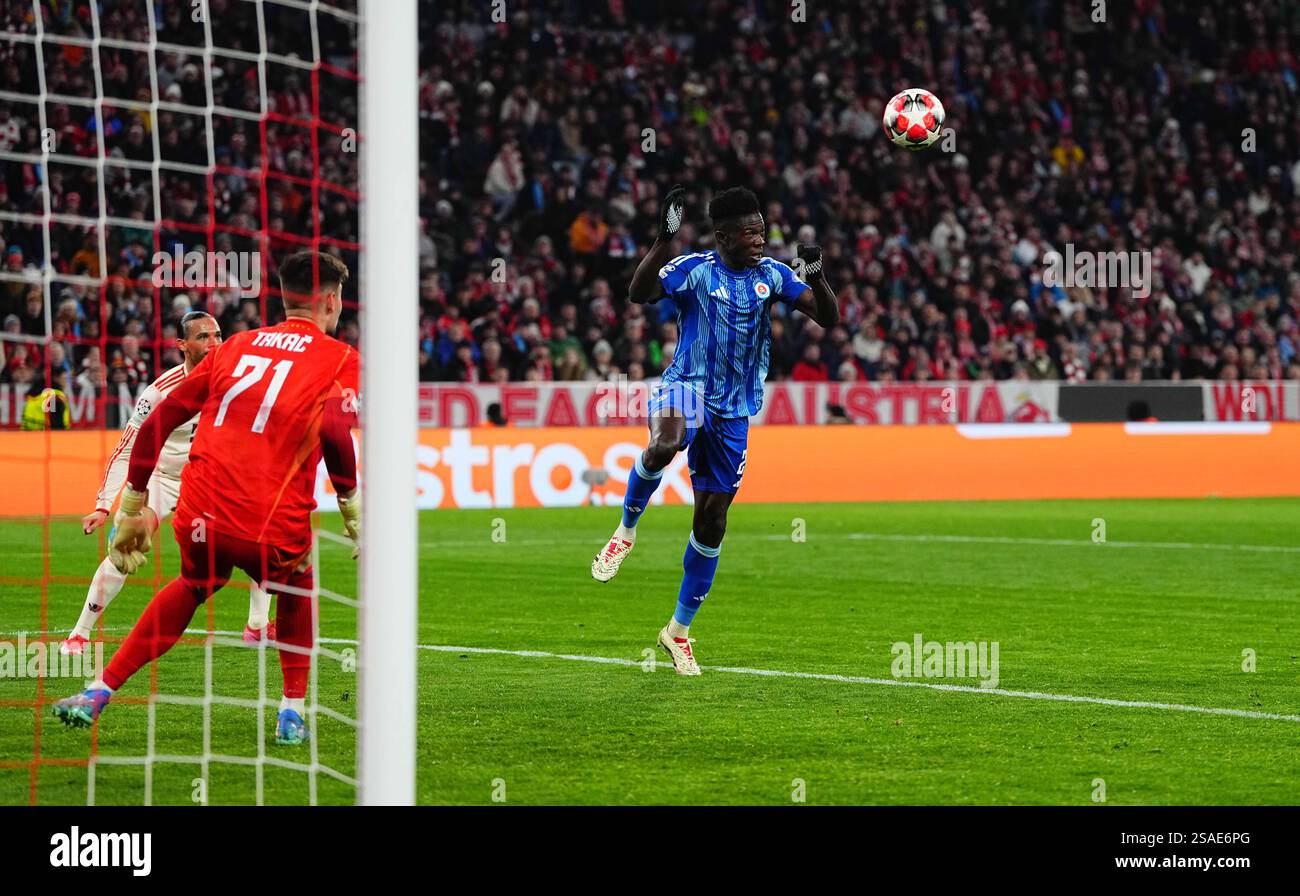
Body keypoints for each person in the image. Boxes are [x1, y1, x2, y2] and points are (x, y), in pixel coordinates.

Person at [54, 252, 361, 746]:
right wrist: (354, 515)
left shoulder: (236, 345)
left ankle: (99, 689)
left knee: (195, 582)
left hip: (201, 511)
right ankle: (291, 711)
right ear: (331, 300)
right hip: (267, 519)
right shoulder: (341, 357)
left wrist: (130, 507)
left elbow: (157, 421)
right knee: (297, 580)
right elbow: (334, 431)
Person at [590, 185, 838, 674]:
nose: (760, 240)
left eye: (763, 231)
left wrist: (817, 275)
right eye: (749, 233)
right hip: (687, 387)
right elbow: (638, 292)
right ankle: (625, 531)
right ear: (722, 237)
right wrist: (663, 240)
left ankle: (677, 632)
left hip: (733, 412)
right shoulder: (695, 270)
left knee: (712, 522)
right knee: (665, 444)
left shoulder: (773, 276)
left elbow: (827, 317)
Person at [61, 312, 277, 656]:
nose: (214, 343)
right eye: (203, 337)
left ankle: (256, 626)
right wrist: (104, 503)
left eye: (218, 336)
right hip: (165, 480)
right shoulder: (158, 391)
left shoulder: (237, 382)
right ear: (182, 346)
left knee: (262, 537)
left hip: (211, 479)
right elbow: (128, 444)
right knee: (125, 547)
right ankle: (79, 634)